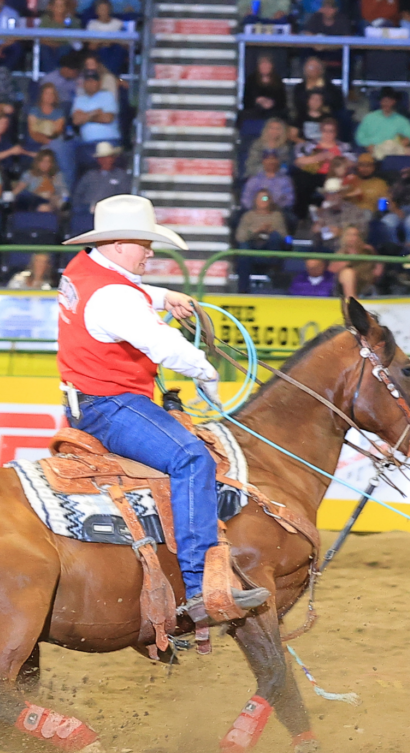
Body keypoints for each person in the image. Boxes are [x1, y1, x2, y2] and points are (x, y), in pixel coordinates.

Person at [55, 195, 264, 624]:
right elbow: (162, 344)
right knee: (191, 458)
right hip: (110, 405)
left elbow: (122, 296)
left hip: (89, 398)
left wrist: (162, 295)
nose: (151, 251)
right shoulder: (114, 296)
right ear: (115, 244)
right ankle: (201, 587)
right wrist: (206, 372)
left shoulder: (84, 269)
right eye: (144, 243)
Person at [71, 141, 132, 213]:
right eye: (102, 158)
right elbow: (77, 195)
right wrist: (86, 208)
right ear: (98, 160)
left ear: (113, 158)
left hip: (111, 212)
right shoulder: (89, 175)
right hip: (87, 212)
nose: (105, 161)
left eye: (108, 157)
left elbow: (123, 197)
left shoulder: (121, 176)